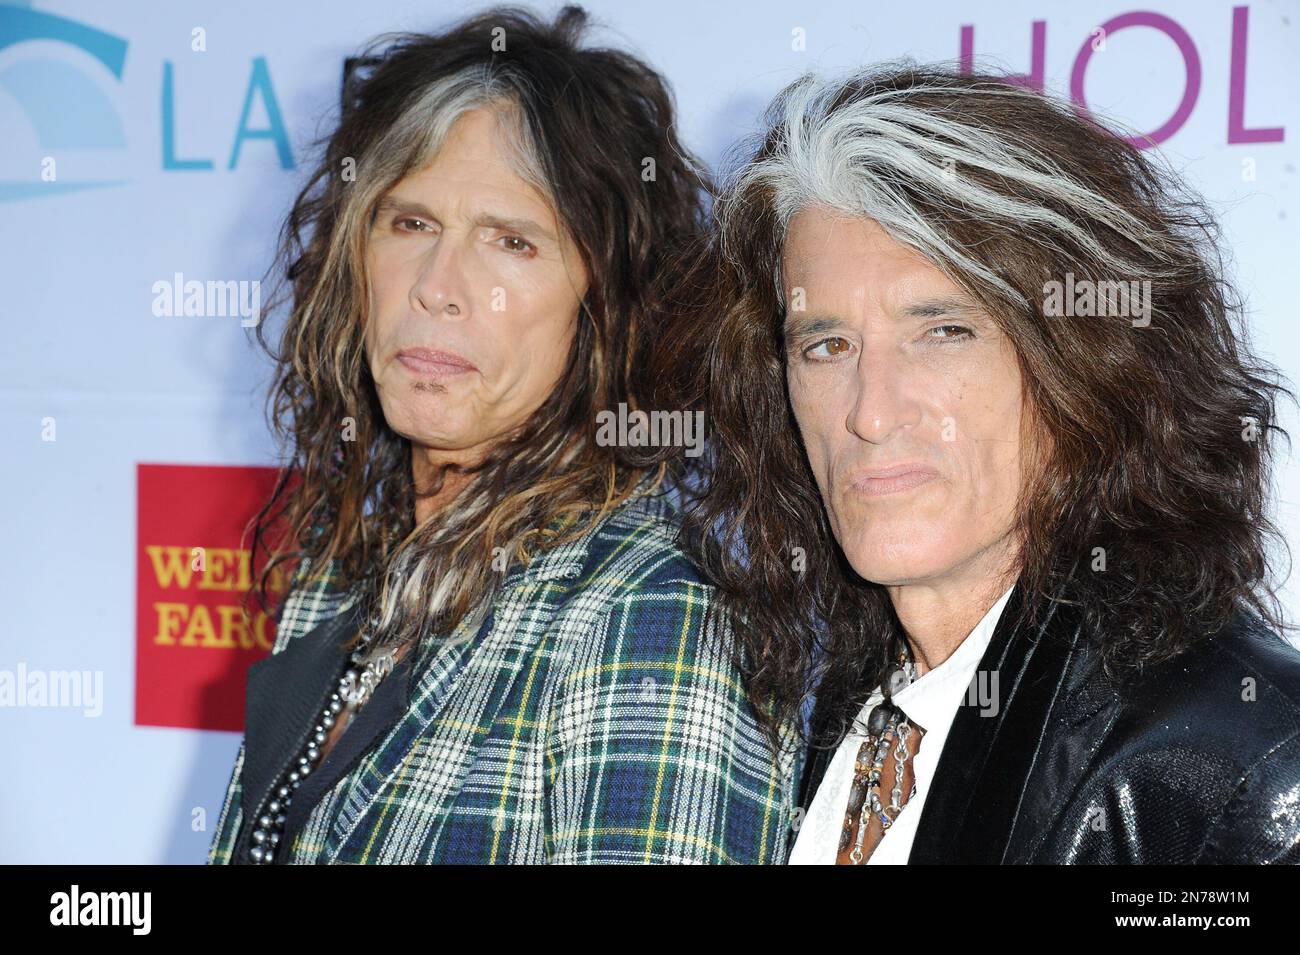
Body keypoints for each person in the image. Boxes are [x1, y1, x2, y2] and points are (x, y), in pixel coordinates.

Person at [652, 64, 1300, 863]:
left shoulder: (1242, 767)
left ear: (1086, 368)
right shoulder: (839, 709)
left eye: (943, 331)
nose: (871, 411)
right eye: (827, 346)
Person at [207, 5, 799, 865]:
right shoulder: (342, 584)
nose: (438, 287)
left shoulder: (649, 615)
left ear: (608, 307)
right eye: (410, 224)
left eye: (512, 242)